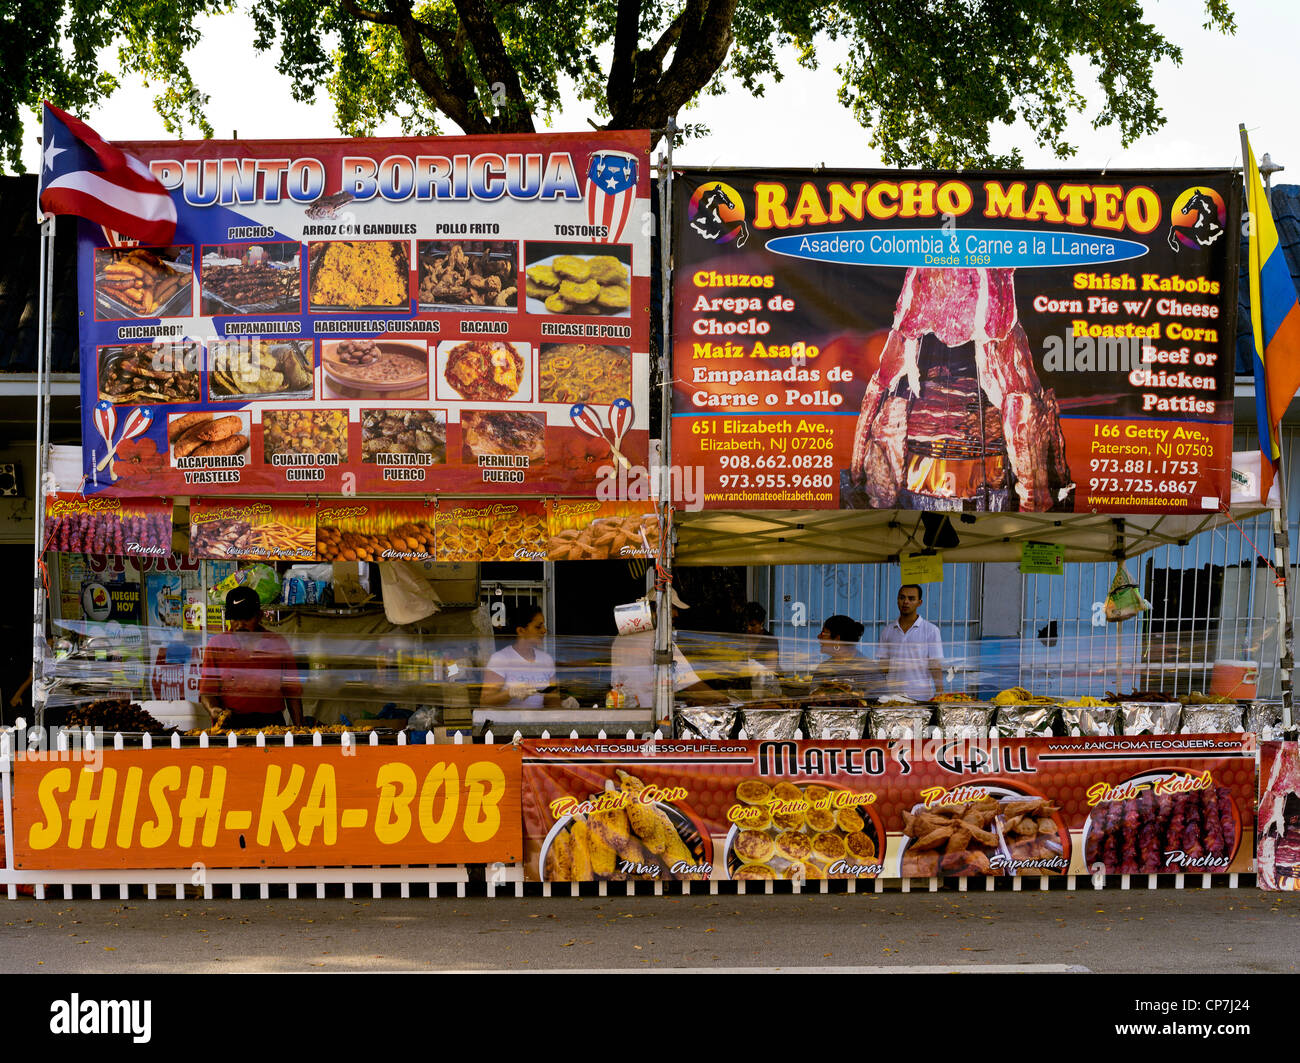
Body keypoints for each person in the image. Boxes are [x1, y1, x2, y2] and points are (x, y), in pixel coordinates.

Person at [199, 587, 303, 727]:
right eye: (235, 619)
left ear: (260, 616)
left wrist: (300, 728)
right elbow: (207, 692)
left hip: (271, 723)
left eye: (247, 618)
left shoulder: (277, 643)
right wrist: (213, 709)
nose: (240, 625)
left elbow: (292, 692)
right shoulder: (217, 645)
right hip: (230, 722)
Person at [610, 589, 724, 710]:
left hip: (623, 710)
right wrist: (720, 698)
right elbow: (687, 680)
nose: (676, 614)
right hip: (651, 714)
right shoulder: (658, 638)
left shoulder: (620, 637)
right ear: (657, 608)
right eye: (673, 608)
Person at [480, 602, 560, 709]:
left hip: (538, 719)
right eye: (538, 627)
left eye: (543, 626)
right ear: (521, 631)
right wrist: (510, 693)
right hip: (509, 719)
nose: (544, 631)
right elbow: (485, 702)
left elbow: (551, 699)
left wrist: (563, 707)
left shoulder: (546, 659)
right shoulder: (500, 659)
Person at [877, 584, 944, 700]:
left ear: (919, 602)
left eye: (911, 598)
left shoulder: (931, 630)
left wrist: (940, 693)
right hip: (893, 698)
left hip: (921, 697)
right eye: (902, 597)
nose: (906, 602)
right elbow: (883, 667)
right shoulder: (887, 631)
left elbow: (935, 666)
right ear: (897, 600)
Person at [813, 614, 876, 687]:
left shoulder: (867, 670)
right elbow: (814, 692)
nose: (818, 636)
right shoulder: (824, 667)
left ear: (837, 639)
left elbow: (879, 693)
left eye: (823, 633)